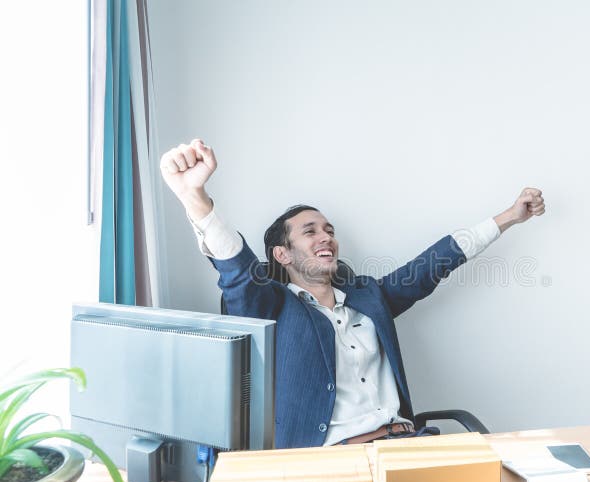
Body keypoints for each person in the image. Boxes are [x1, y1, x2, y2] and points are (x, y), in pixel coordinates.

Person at [160, 138, 545, 448]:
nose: (326, 236)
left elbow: (435, 263)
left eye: (329, 230)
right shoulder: (271, 308)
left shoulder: (369, 298)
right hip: (334, 463)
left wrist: (509, 216)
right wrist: (196, 198)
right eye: (309, 231)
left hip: (408, 446)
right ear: (282, 254)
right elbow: (237, 272)